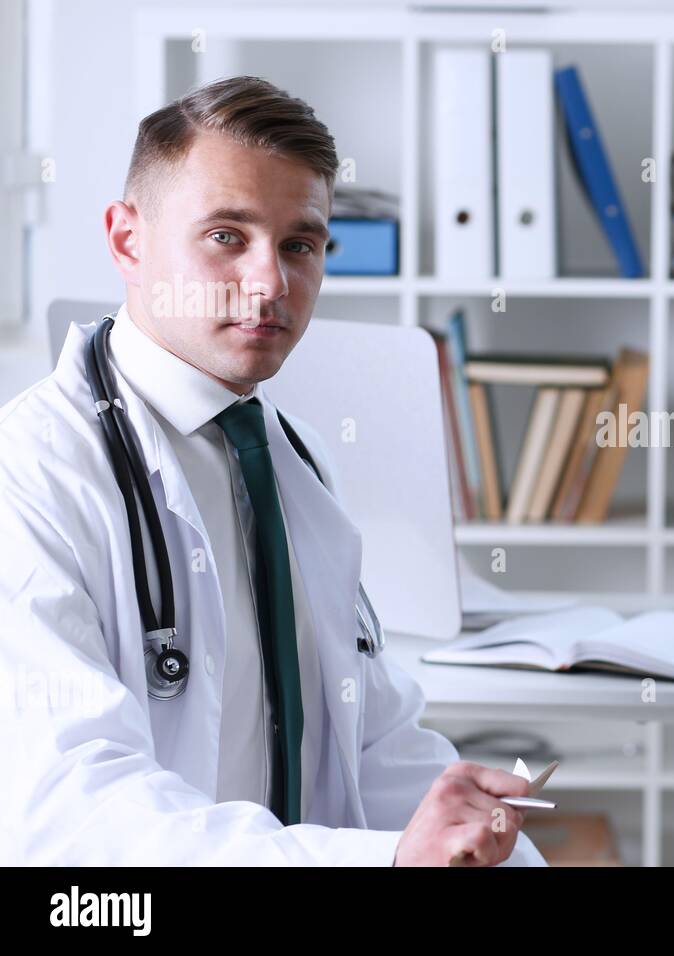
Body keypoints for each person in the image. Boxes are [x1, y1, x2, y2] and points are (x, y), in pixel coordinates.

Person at [0, 75, 545, 866]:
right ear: (127, 240)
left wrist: (480, 844)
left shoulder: (292, 457)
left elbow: (369, 735)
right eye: (226, 236)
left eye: (300, 244)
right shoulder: (33, 471)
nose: (271, 284)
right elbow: (73, 809)